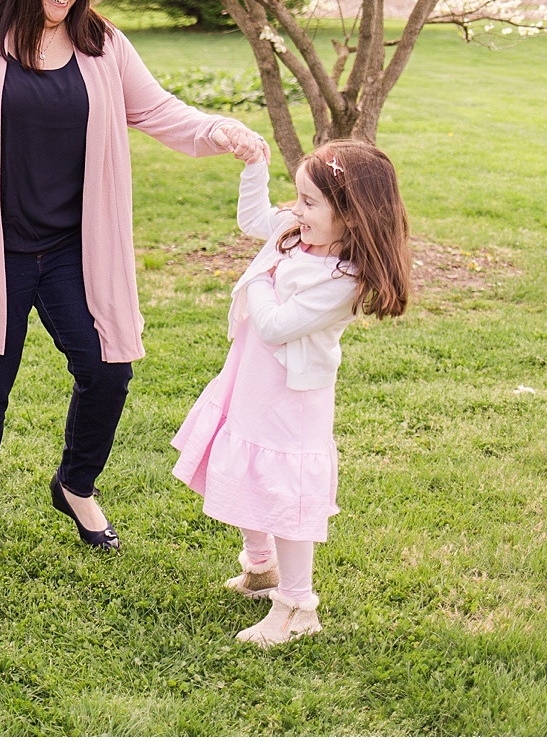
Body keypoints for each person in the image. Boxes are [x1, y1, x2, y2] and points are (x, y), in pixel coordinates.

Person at [0, 0, 267, 566]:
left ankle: (75, 484)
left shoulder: (101, 44)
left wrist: (217, 130)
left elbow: (157, 111)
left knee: (107, 370)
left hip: (72, 248)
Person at [171, 141, 410, 647]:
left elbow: (278, 325)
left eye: (308, 202)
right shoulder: (296, 234)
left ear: (350, 214)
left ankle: (298, 606)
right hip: (251, 378)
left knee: (283, 490)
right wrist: (254, 165)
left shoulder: (343, 279)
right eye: (297, 199)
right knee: (247, 471)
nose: (294, 211)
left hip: (292, 400)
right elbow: (253, 217)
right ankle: (260, 568)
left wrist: (258, 274)